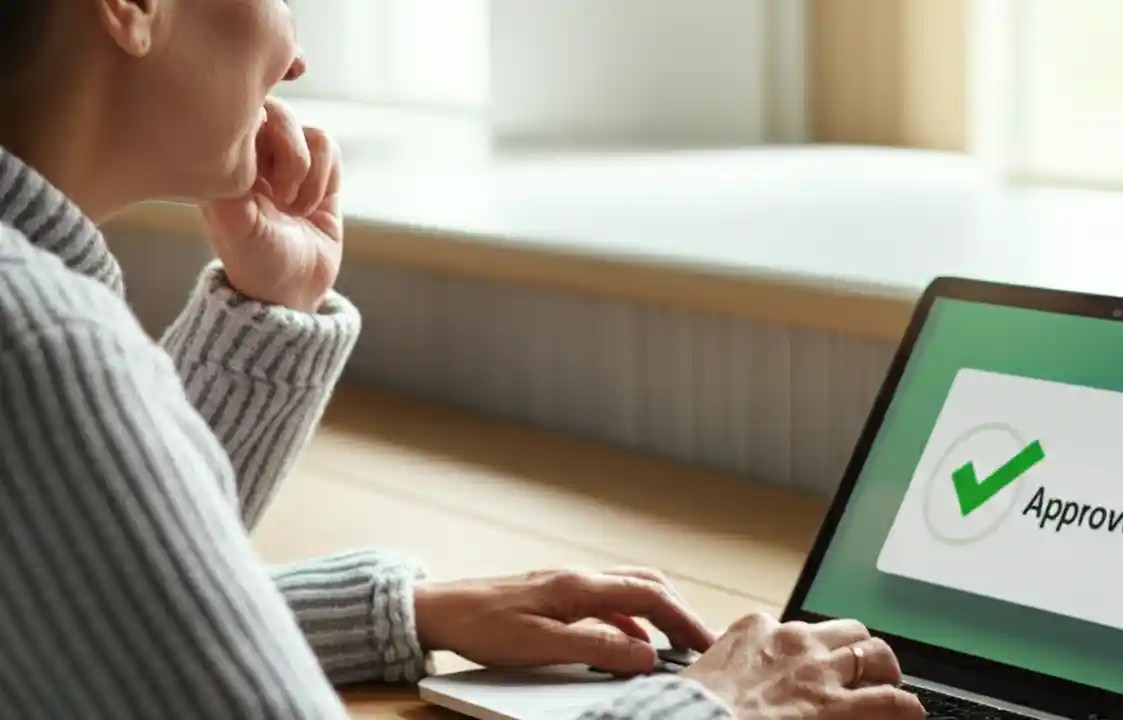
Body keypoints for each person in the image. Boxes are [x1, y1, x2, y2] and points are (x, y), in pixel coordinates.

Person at [0, 2, 925, 719]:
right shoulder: (42, 344)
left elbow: (62, 589)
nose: (296, 54)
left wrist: (393, 617)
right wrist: (719, 702)